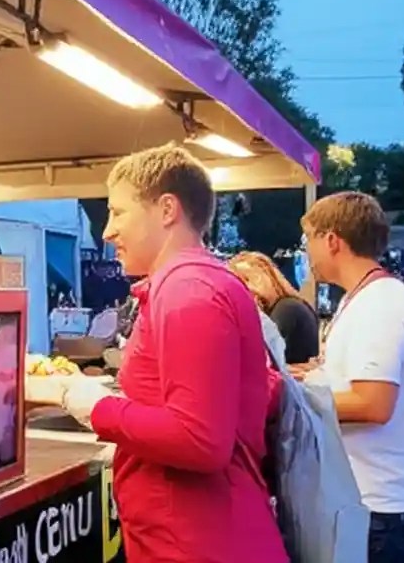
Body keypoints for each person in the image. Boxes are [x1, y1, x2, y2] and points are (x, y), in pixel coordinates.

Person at [58, 143, 286, 563]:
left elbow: (201, 441)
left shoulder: (188, 291)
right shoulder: (197, 283)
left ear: (167, 210)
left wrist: (96, 406)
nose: (107, 231)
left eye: (118, 212)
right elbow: (262, 389)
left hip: (197, 542)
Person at [295, 192, 404, 562]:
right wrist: (307, 376)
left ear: (331, 240)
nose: (307, 252)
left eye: (308, 238)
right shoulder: (360, 299)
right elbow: (350, 380)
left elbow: (373, 404)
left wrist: (289, 396)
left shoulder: (381, 305)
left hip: (380, 507)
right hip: (367, 502)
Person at [229, 250, 321, 365]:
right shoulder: (288, 306)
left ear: (269, 276)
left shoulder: (286, 309)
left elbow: (262, 360)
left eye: (248, 279)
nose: (248, 288)